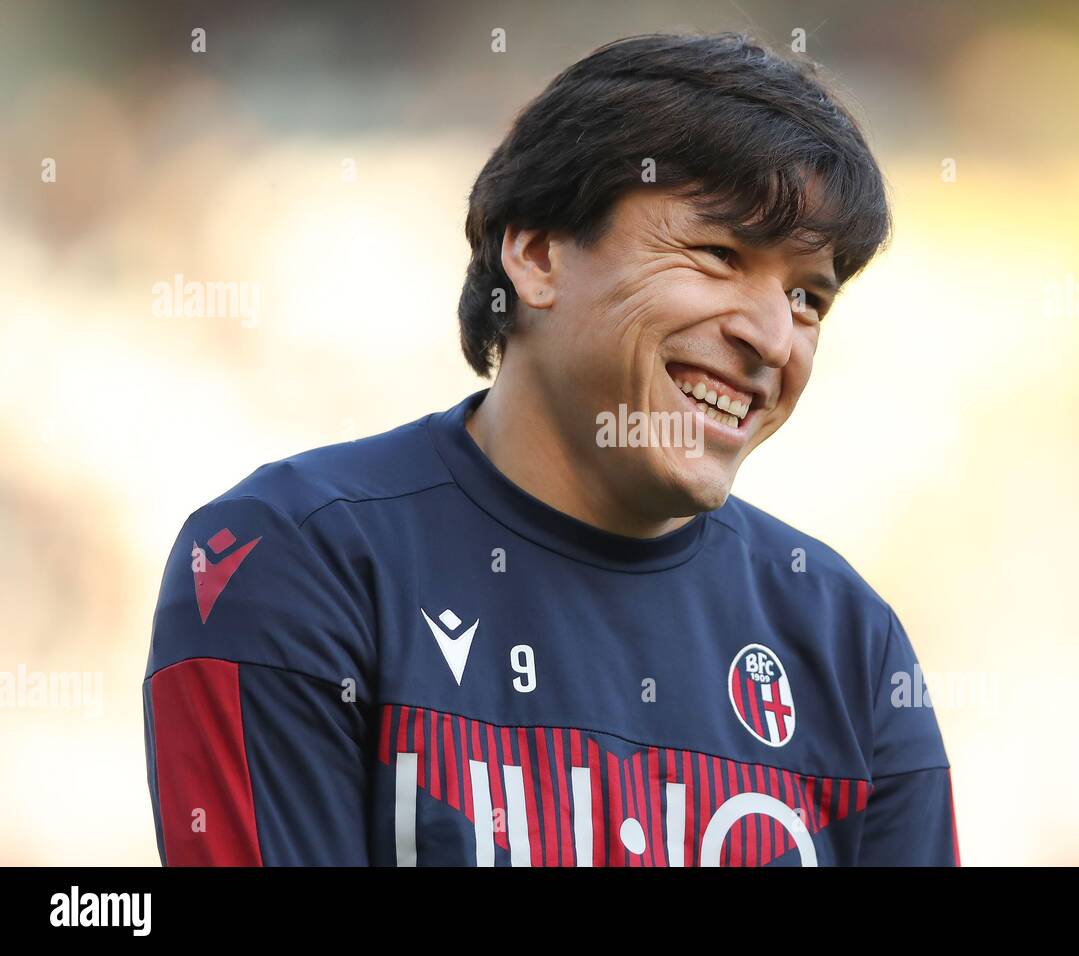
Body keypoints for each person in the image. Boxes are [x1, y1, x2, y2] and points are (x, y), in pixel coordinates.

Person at [143, 31, 959, 866]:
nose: (772, 337)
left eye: (807, 298)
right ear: (535, 255)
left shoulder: (849, 641)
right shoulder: (291, 562)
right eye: (719, 254)